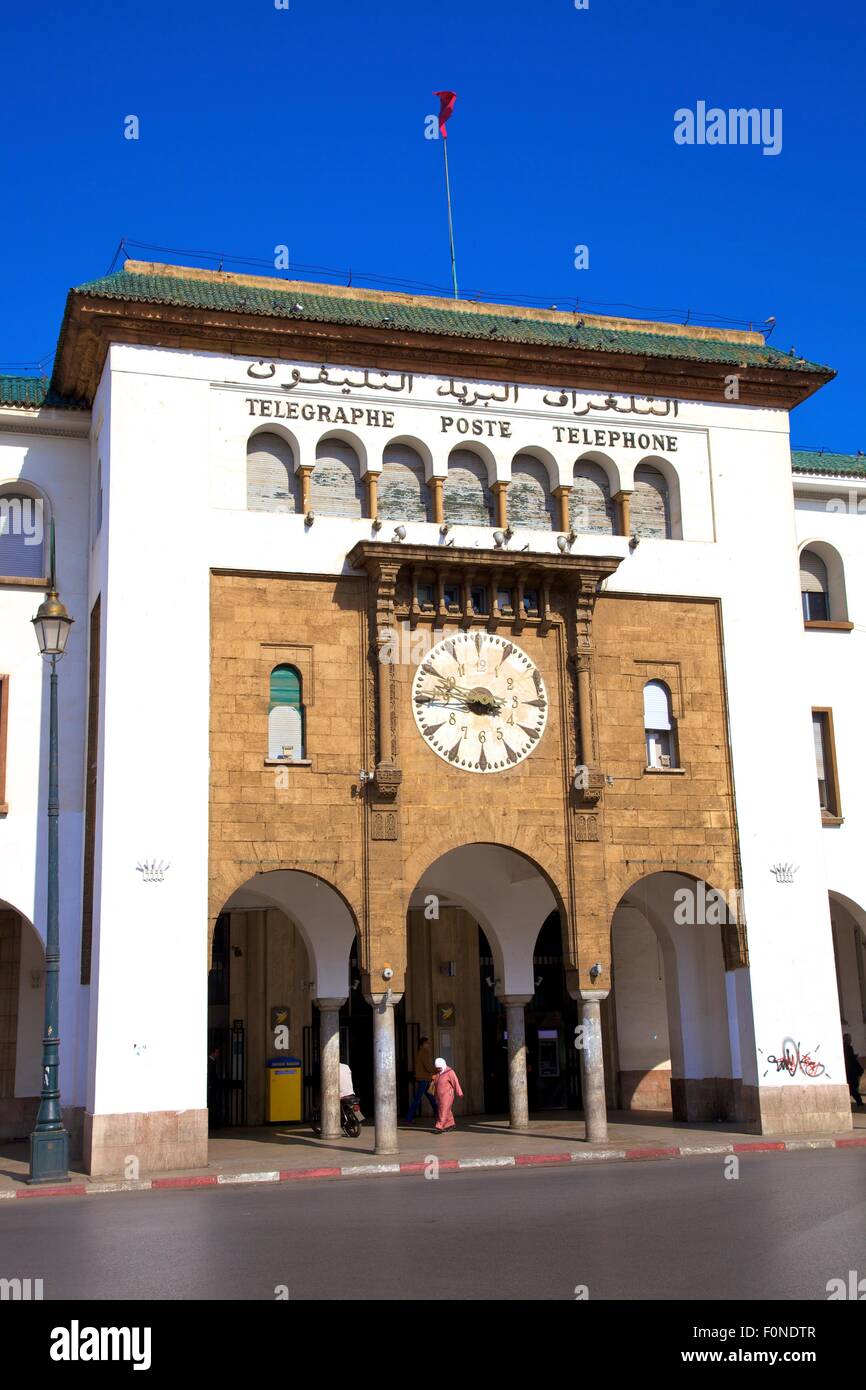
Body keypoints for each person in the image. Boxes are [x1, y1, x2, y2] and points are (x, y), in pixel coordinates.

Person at [407, 1035, 438, 1122]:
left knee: (430, 1097)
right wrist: (437, 1070)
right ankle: (409, 1117)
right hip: (424, 1078)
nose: (428, 1045)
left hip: (424, 1078)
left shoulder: (420, 1053)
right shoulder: (424, 1053)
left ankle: (438, 1114)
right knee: (418, 1099)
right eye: (427, 1043)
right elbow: (428, 1067)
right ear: (422, 1044)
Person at [432, 1056, 463, 1133]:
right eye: (437, 1068)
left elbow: (455, 1082)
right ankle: (451, 1124)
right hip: (439, 1096)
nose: (438, 1069)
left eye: (439, 1067)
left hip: (447, 1095)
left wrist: (459, 1092)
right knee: (445, 1110)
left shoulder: (450, 1072)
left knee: (443, 1110)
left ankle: (439, 1127)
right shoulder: (438, 1073)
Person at [842, 1033, 864, 1108]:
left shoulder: (844, 1047)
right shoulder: (848, 1047)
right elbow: (850, 1059)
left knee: (852, 1087)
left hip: (849, 1070)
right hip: (851, 1071)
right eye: (849, 1038)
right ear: (846, 1039)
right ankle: (859, 1101)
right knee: (853, 1087)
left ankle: (858, 1101)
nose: (851, 1040)